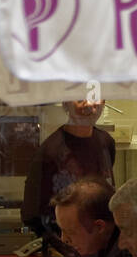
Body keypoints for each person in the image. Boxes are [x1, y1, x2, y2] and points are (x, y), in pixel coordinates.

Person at [3, 177, 137, 257]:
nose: (64, 239)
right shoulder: (103, 244)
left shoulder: (129, 254)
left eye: (70, 231)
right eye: (61, 230)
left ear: (99, 227)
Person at [21, 100, 116, 238]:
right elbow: (32, 215)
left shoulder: (106, 142)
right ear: (66, 103)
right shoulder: (50, 152)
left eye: (94, 96)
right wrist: (66, 243)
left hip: (98, 244)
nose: (89, 105)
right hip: (67, 247)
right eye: (79, 98)